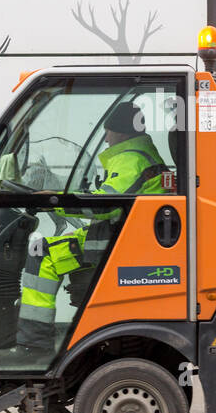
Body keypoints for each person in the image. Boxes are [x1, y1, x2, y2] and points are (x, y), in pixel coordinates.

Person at [13, 103, 170, 361]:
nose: (106, 137)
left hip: (116, 245)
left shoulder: (132, 159)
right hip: (121, 238)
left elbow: (103, 205)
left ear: (121, 132)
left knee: (41, 254)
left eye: (109, 131)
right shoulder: (139, 155)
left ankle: (33, 347)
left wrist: (57, 202)